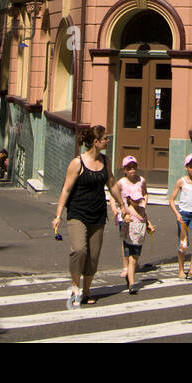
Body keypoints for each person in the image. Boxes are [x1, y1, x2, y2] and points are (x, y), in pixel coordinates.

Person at [52, 125, 126, 308]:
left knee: (93, 256)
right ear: (96, 142)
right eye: (105, 139)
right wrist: (58, 214)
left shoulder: (105, 161)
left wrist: (122, 205)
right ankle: (75, 287)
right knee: (79, 250)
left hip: (98, 213)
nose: (108, 141)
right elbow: (66, 189)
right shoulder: (78, 162)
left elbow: (112, 183)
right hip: (77, 212)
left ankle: (87, 291)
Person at [116, 155, 156, 293]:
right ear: (124, 169)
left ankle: (130, 273)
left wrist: (149, 225)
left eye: (134, 167)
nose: (132, 170)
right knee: (130, 254)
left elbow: (145, 197)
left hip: (139, 229)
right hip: (127, 225)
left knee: (135, 256)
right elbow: (113, 196)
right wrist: (118, 211)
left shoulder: (141, 183)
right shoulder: (121, 183)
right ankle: (131, 281)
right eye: (129, 168)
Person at [170, 154, 192, 280]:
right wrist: (177, 214)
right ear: (186, 167)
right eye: (191, 166)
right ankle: (181, 269)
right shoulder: (182, 181)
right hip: (183, 215)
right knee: (183, 244)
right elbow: (171, 200)